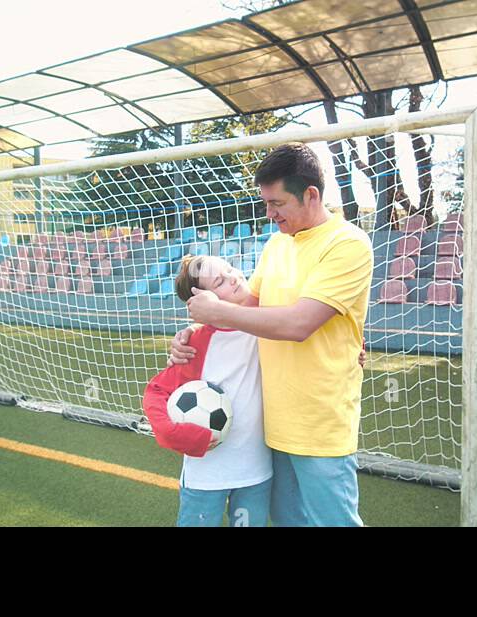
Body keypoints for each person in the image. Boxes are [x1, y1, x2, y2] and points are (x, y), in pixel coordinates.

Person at [173, 142, 374, 527]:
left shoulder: (348, 244)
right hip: (273, 426)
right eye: (265, 202)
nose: (270, 213)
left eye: (277, 203)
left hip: (320, 426)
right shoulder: (279, 242)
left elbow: (298, 325)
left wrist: (219, 310)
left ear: (311, 195)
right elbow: (249, 307)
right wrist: (192, 334)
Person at [143, 255, 272, 527]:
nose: (234, 277)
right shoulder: (196, 343)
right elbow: (156, 391)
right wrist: (176, 434)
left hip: (255, 471)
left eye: (230, 269)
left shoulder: (268, 320)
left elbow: (308, 327)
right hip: (206, 475)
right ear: (202, 299)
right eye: (220, 281)